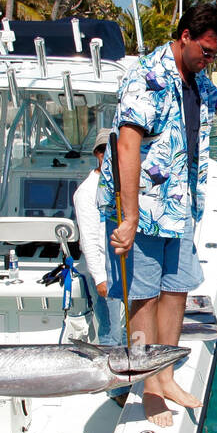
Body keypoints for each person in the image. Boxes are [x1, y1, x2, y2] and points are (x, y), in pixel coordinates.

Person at [100, 3, 217, 426]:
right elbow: (127, 145)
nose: (209, 58)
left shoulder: (198, 78)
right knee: (143, 299)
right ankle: (149, 387)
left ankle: (165, 376)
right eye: (205, 50)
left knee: (176, 290)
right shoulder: (146, 76)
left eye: (215, 53)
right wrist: (128, 217)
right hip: (145, 207)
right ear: (185, 35)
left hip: (179, 203)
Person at [74, 127, 122, 345]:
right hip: (105, 271)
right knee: (110, 331)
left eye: (115, 149)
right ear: (97, 154)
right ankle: (115, 376)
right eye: (104, 151)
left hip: (126, 267)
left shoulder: (124, 184)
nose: (108, 155)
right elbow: (89, 239)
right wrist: (99, 277)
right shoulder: (86, 192)